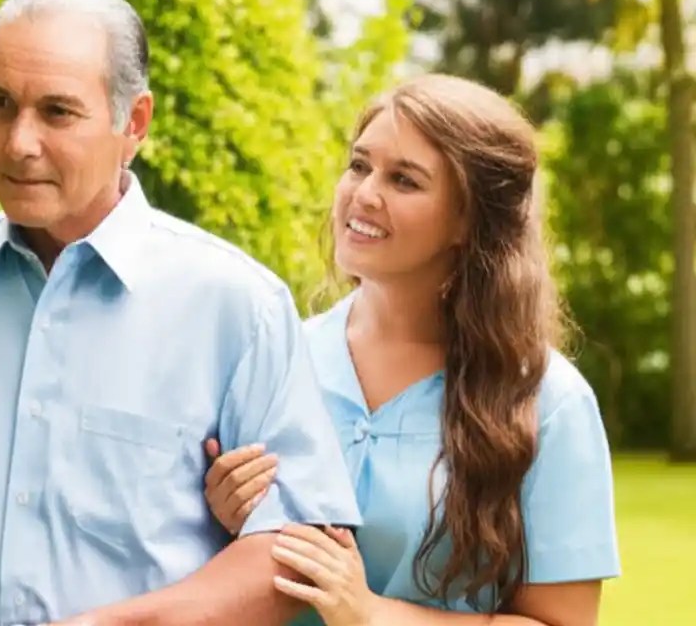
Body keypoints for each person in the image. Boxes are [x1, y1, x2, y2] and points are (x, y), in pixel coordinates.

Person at [0, 0, 361, 626]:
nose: (18, 143)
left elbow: (300, 555)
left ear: (135, 123)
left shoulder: (238, 308)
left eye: (57, 112)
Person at [202, 74, 621, 625]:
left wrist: (373, 615)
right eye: (359, 166)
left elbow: (562, 622)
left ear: (468, 220)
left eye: (404, 180)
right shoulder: (273, 359)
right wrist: (224, 521)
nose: (365, 193)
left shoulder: (548, 401)